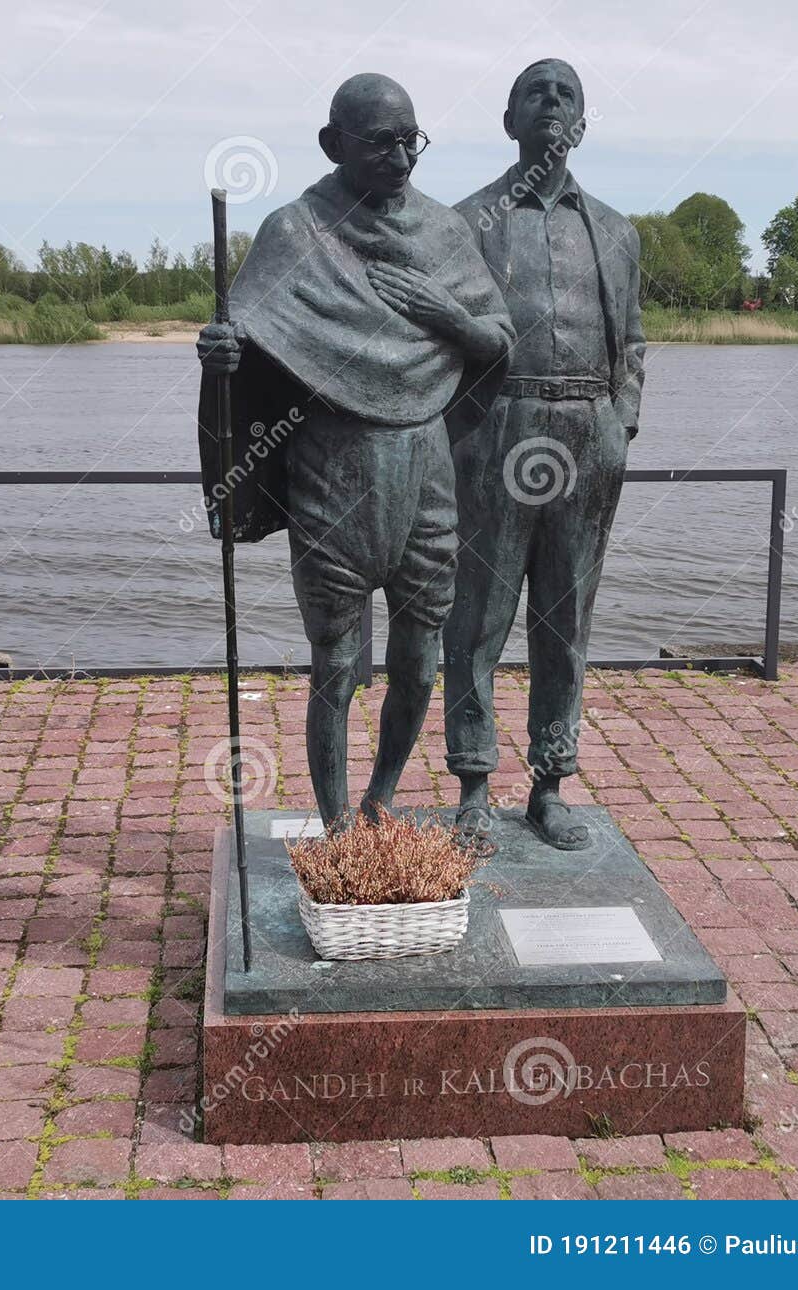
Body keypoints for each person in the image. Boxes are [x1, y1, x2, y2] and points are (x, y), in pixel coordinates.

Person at [196, 72, 513, 829]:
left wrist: (450, 317)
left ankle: (383, 797)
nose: (401, 157)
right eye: (382, 142)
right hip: (332, 464)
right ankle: (336, 821)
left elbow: (498, 340)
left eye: (412, 140)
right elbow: (253, 339)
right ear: (334, 144)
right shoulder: (295, 231)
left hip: (425, 459)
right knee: (336, 660)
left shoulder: (443, 233)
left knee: (418, 654)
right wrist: (223, 359)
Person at [445, 58, 646, 850]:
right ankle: (470, 785)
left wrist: (619, 423)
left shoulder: (617, 230)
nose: (553, 103)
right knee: (478, 617)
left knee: (565, 622)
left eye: (568, 94)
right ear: (509, 119)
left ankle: (551, 785)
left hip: (588, 435)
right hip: (499, 429)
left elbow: (631, 340)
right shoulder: (465, 222)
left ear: (584, 123)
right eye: (537, 91)